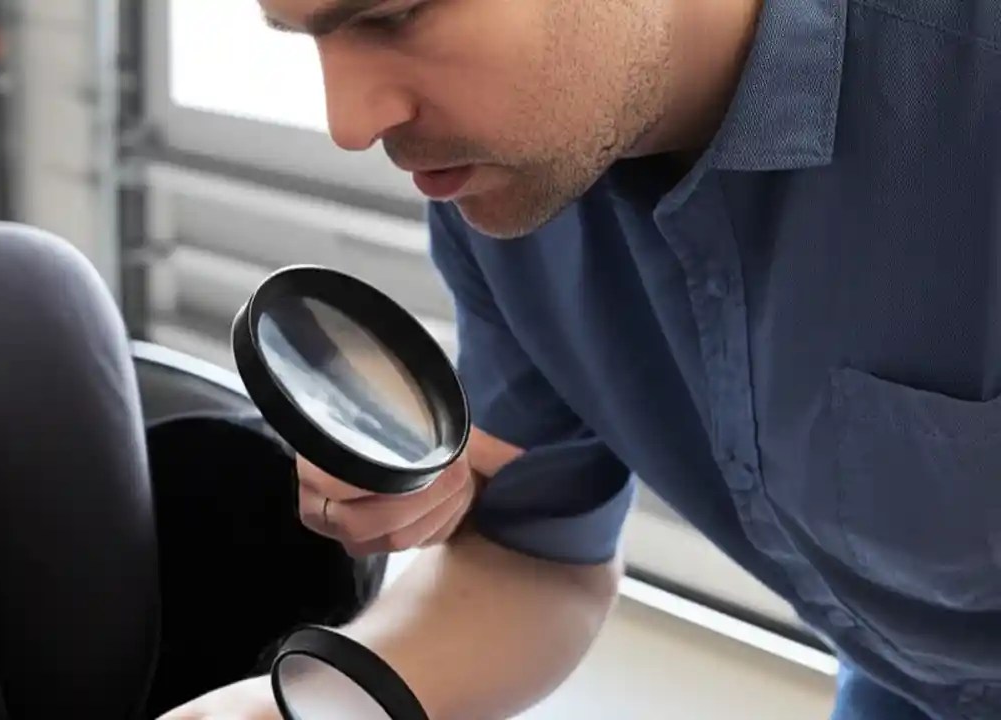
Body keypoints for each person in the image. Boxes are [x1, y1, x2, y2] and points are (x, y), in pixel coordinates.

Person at [161, 0, 1001, 718]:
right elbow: (535, 557)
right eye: (305, 35)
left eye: (395, 13)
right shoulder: (513, 184)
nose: (348, 123)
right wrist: (284, 709)